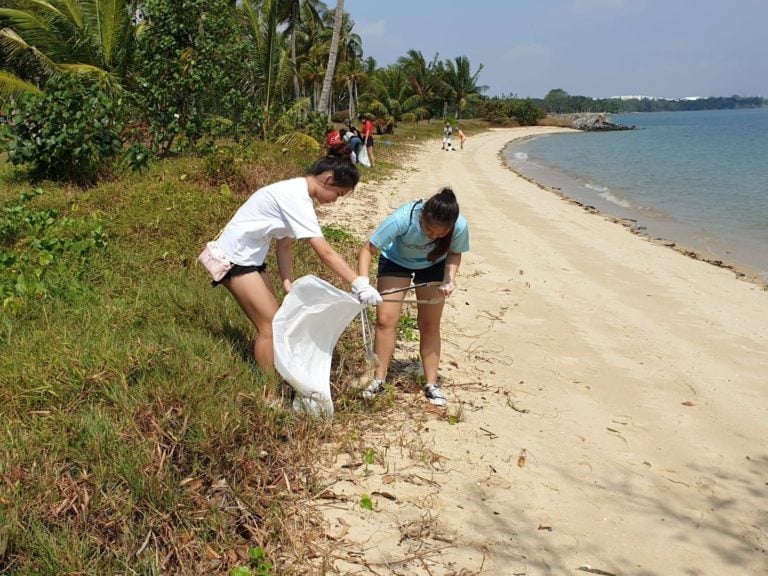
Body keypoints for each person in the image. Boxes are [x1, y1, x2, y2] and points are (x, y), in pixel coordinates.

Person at [209, 145, 382, 370]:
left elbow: (284, 245)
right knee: (270, 326)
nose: (335, 200)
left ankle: (273, 375)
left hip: (250, 261)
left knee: (276, 321)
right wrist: (358, 282)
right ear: (328, 179)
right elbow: (324, 251)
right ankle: (268, 386)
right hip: (234, 260)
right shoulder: (296, 197)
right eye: (338, 194)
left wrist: (287, 282)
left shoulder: (299, 194)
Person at [357, 187, 470, 406]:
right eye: (429, 231)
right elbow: (368, 249)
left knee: (429, 324)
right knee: (385, 320)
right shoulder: (403, 218)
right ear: (421, 217)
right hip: (395, 261)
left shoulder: (460, 226)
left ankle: (431, 384)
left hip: (434, 264)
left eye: (440, 235)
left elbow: (455, 253)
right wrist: (363, 283)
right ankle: (378, 379)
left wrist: (449, 279)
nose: (433, 236)